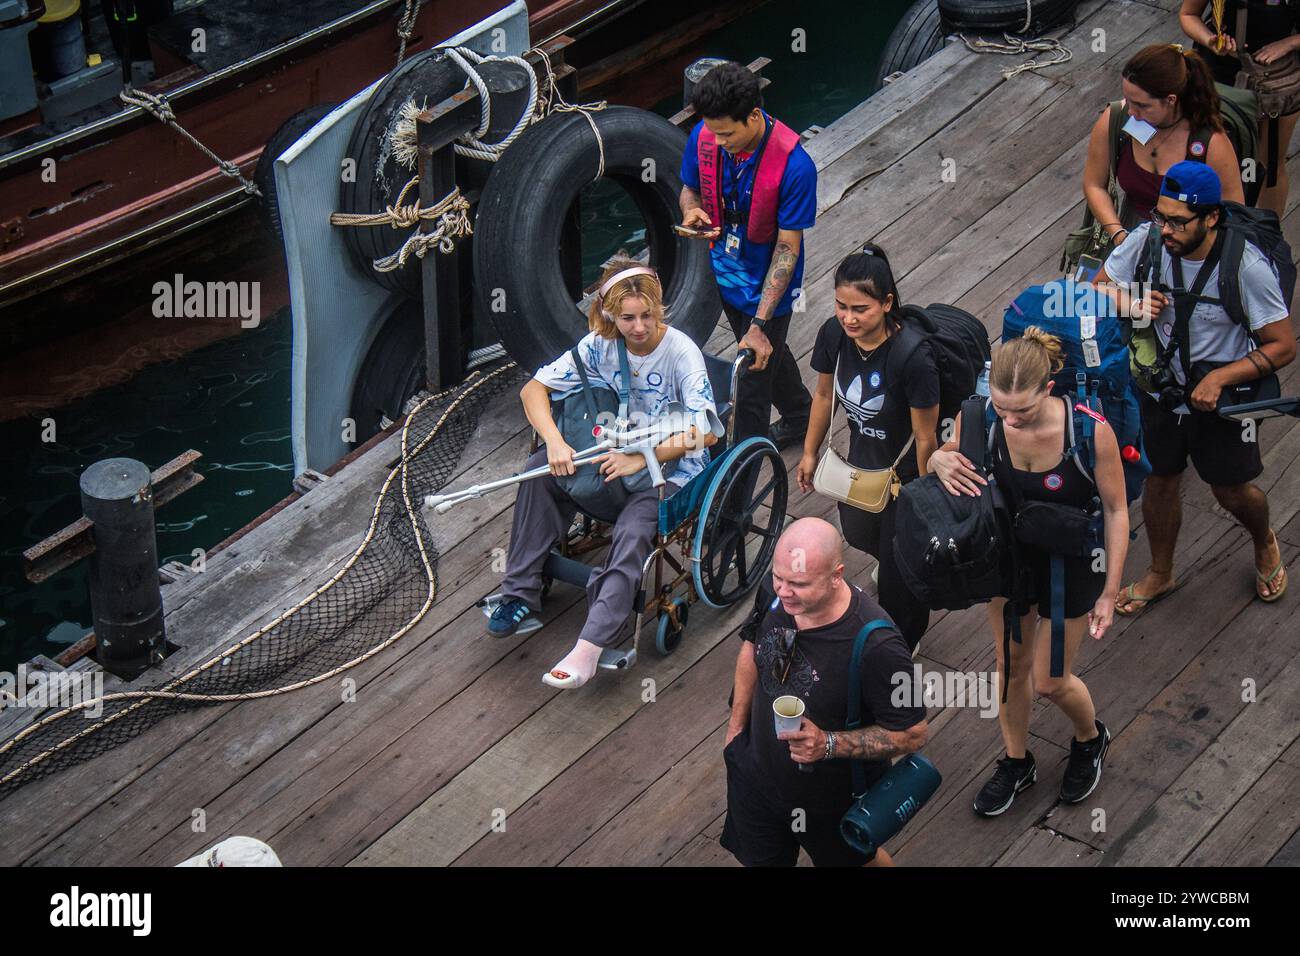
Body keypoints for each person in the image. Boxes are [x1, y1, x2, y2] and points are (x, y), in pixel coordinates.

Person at [488, 258, 719, 689]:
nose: (638, 327)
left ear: (659, 307)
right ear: (611, 313)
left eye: (646, 316)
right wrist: (556, 442)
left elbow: (706, 430)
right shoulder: (599, 344)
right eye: (627, 317)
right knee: (537, 470)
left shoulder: (681, 353)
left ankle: (590, 646)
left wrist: (643, 458)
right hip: (607, 454)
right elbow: (532, 390)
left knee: (634, 533)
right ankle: (519, 592)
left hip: (667, 471)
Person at [929, 329, 1130, 816]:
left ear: (1049, 387)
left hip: (1072, 563)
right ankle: (1017, 762)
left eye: (1022, 410)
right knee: (1009, 670)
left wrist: (1109, 591)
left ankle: (1089, 737)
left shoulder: (1088, 430)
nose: (1011, 419)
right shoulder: (980, 419)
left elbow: (1118, 509)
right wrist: (937, 458)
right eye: (1002, 408)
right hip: (1012, 562)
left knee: (1050, 680)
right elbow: (945, 455)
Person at [1095, 161, 1294, 611]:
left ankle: (1263, 541)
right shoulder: (1147, 240)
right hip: (1161, 388)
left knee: (1231, 490)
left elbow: (1282, 346)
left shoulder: (1246, 266)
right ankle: (1160, 573)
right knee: (1160, 481)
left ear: (1211, 218)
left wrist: (1221, 378)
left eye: (1178, 222)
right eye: (1160, 217)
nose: (1165, 230)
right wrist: (1133, 302)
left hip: (1220, 401)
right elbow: (1097, 287)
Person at [722, 517, 928, 867]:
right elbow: (751, 646)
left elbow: (912, 733)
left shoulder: (880, 646)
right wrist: (736, 732)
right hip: (757, 778)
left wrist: (828, 744)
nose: (784, 592)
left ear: (837, 576)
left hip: (832, 800)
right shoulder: (777, 594)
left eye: (799, 584)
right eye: (779, 578)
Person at [796, 244, 939, 652]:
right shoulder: (833, 335)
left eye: (861, 309)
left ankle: (902, 639)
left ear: (887, 303)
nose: (849, 318)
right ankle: (896, 565)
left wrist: (929, 500)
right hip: (861, 464)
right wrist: (810, 451)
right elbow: (823, 396)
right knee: (858, 532)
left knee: (898, 561)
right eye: (842, 306)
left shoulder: (913, 357)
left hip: (906, 470)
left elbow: (926, 435)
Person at [678, 60, 817, 449]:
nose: (719, 142)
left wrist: (761, 322)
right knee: (765, 353)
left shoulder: (796, 168)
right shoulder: (706, 135)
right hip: (724, 270)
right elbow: (689, 188)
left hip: (766, 285)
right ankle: (800, 414)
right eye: (713, 133)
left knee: (750, 391)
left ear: (754, 116)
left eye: (727, 134)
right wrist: (690, 209)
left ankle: (736, 498)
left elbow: (788, 248)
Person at [1082, 43, 1244, 253]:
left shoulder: (1210, 144)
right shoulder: (1117, 118)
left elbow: (1235, 213)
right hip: (1129, 237)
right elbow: (1094, 184)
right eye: (1129, 101)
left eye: (1142, 105)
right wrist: (1120, 236)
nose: (1131, 112)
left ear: (1171, 100)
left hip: (1192, 248)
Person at [1182, 0, 1300, 213]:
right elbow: (1189, 15)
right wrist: (1210, 40)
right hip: (1219, 75)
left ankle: (1267, 238)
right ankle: (1211, 229)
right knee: (1210, 155)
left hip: (1279, 79)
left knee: (1269, 165)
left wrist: (1290, 43)